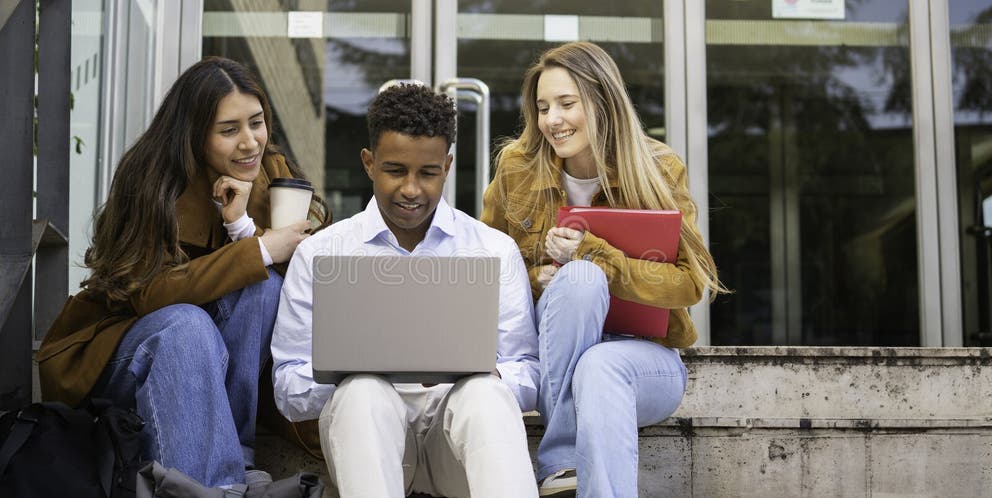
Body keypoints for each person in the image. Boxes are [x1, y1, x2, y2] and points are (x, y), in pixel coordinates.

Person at [36, 56, 329, 488]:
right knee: (187, 326)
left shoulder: (273, 173)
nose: (250, 142)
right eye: (229, 130)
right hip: (125, 350)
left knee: (264, 290)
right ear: (194, 134)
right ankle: (221, 484)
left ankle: (237, 459)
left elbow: (308, 274)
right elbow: (147, 293)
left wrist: (242, 228)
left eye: (257, 122)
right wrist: (260, 247)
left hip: (218, 359)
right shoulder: (152, 178)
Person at [481, 41, 729, 497]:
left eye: (566, 104)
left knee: (598, 354)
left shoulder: (658, 168)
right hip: (549, 357)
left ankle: (561, 464)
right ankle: (564, 465)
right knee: (578, 283)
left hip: (644, 360)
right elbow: (484, 267)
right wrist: (535, 277)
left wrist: (595, 255)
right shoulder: (517, 168)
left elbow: (692, 283)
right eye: (542, 107)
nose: (552, 120)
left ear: (602, 100)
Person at [271, 83, 540, 498]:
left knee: (487, 394)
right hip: (369, 441)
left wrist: (483, 371)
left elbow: (528, 370)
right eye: (395, 170)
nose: (412, 189)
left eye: (428, 173)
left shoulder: (492, 250)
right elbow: (288, 388)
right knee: (362, 392)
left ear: (447, 166)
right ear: (368, 163)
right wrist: (354, 368)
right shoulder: (321, 254)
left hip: (455, 443)